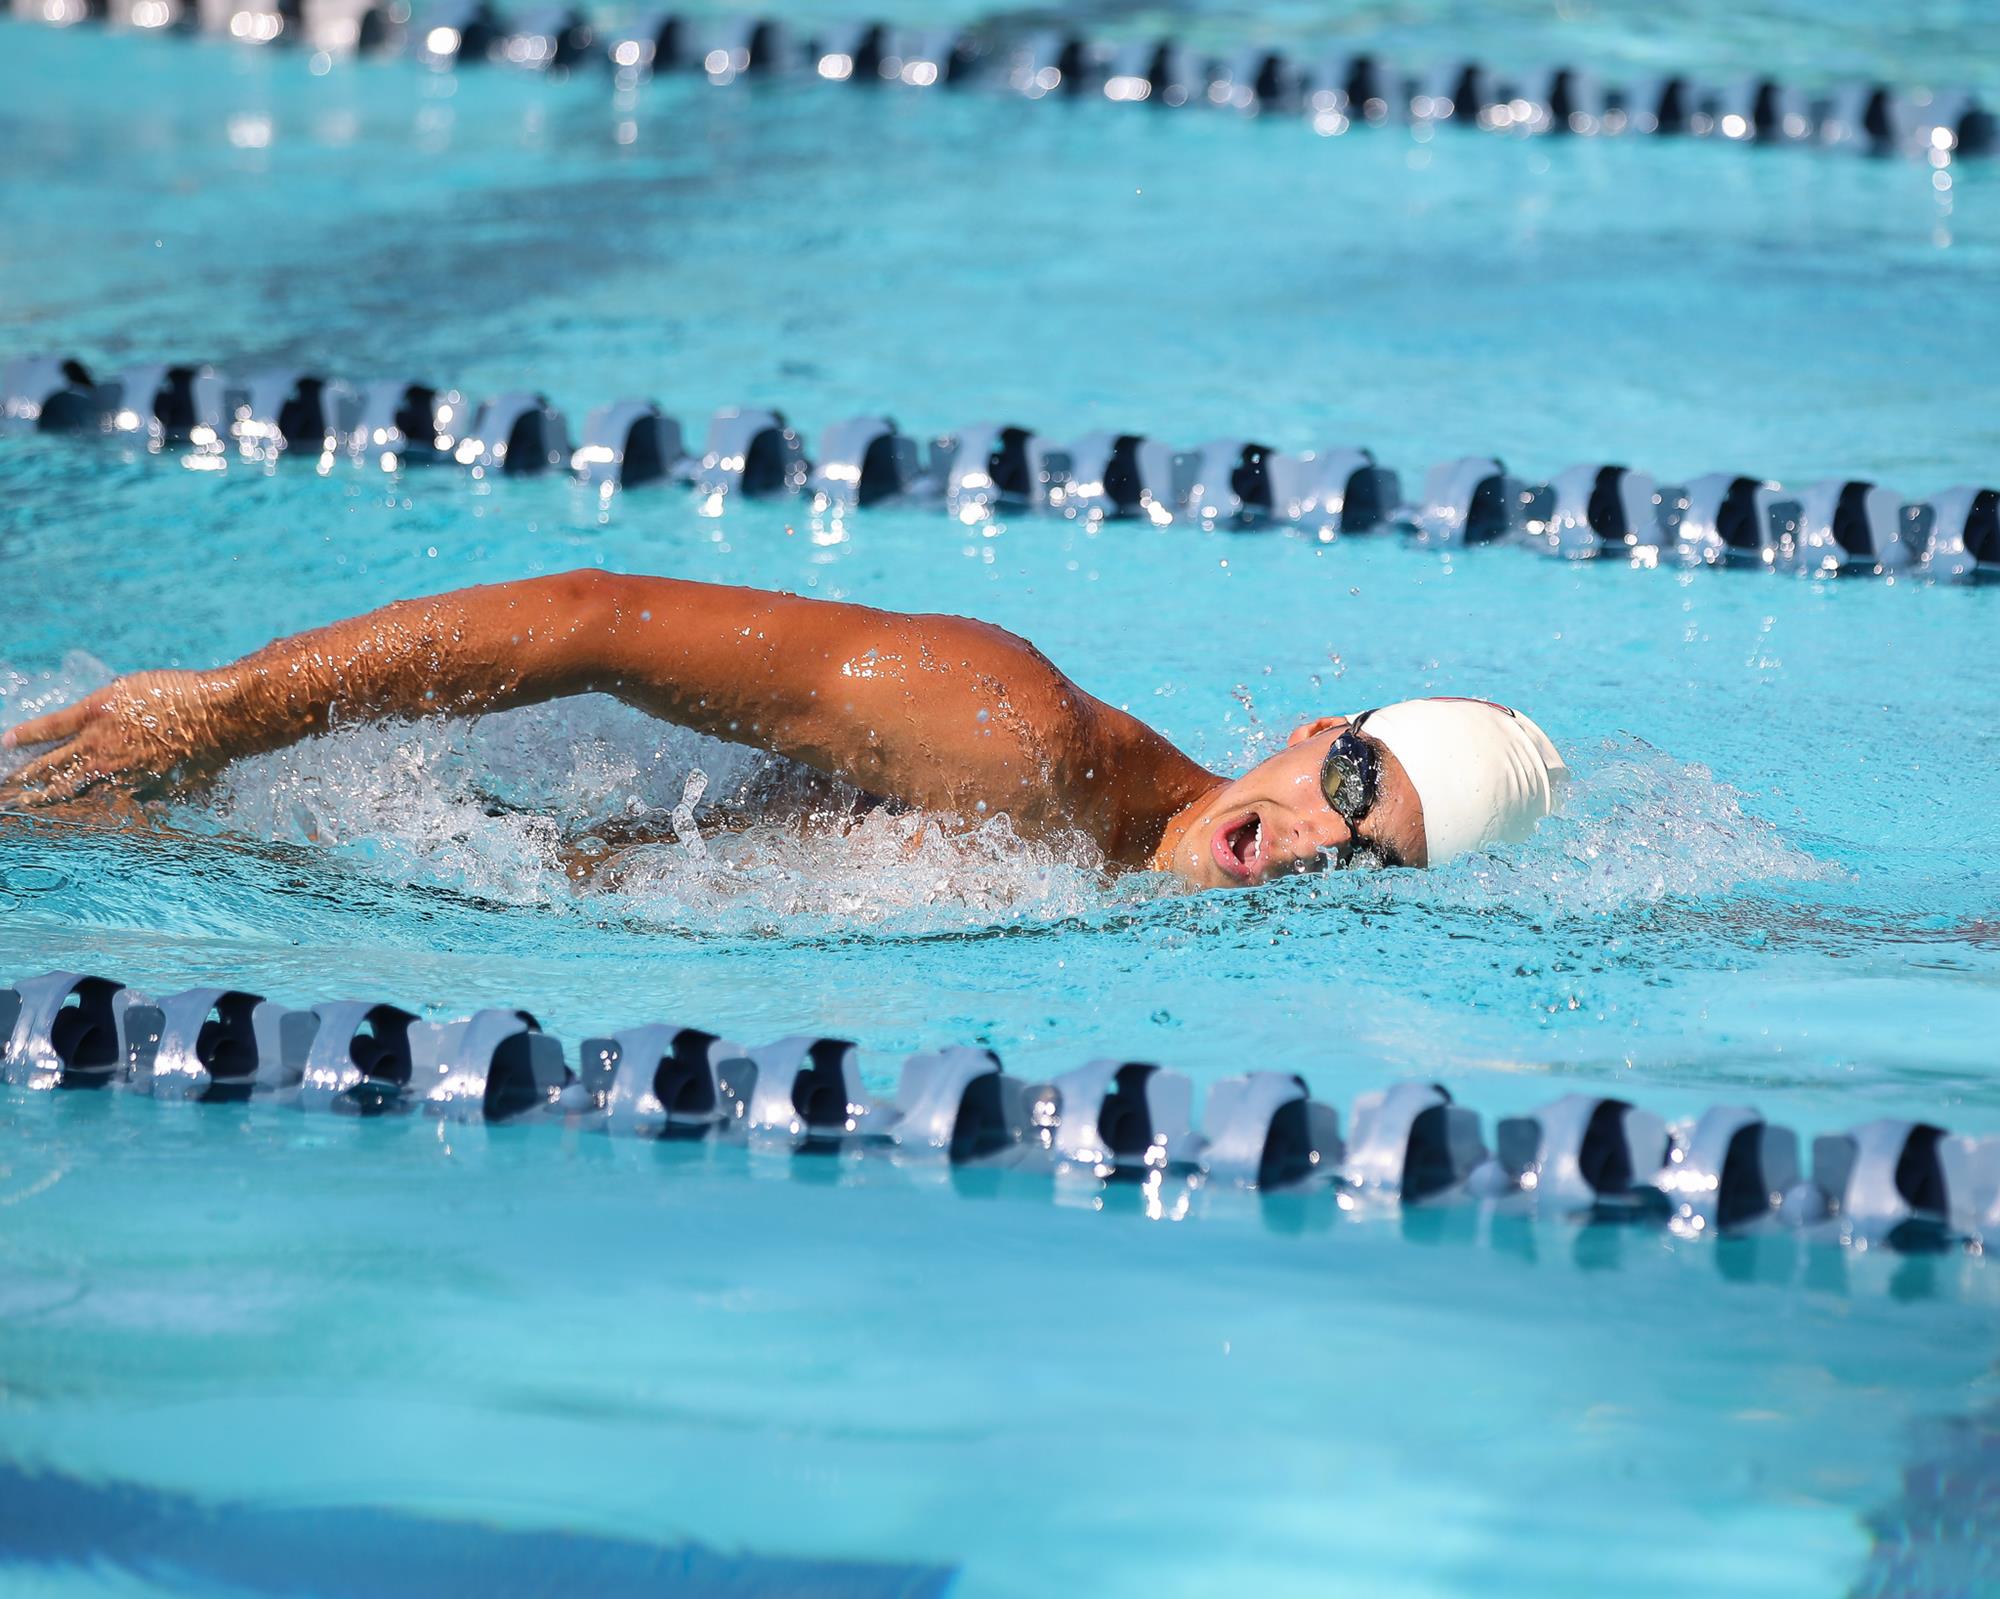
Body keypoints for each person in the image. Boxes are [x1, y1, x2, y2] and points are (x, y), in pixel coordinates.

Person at [0, 571, 1566, 887]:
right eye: (1352, 781)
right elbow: (590, 623)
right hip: (371, 820)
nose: (1316, 842)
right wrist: (220, 713)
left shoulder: (1097, 881)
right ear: (1306, 737)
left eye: (1371, 865)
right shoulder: (1000, 732)